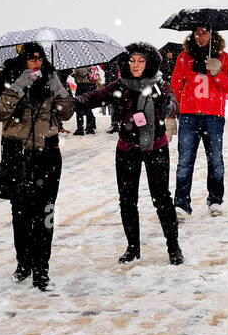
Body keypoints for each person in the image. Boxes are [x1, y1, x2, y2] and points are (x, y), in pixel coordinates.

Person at [73, 42, 183, 265]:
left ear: (149, 63)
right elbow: (95, 97)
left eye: (141, 60)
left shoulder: (159, 85)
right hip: (126, 149)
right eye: (132, 60)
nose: (136, 65)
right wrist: (73, 102)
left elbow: (173, 102)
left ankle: (173, 246)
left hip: (156, 147)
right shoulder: (120, 86)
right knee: (127, 200)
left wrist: (168, 107)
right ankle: (133, 247)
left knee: (161, 198)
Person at [0, 43, 74, 291]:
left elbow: (67, 113)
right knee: (21, 214)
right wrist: (18, 86)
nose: (36, 62)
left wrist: (59, 88)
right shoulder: (5, 79)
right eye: (31, 58)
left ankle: (42, 269)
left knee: (45, 212)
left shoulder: (51, 79)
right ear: (22, 60)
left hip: (48, 152)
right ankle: (23, 263)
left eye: (40, 58)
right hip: (16, 153)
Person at [171, 26, 228, 217]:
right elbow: (176, 85)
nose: (200, 37)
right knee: (184, 161)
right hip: (188, 115)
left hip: (213, 116)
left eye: (204, 32)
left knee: (215, 160)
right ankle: (181, 203)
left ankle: (215, 200)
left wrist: (217, 73)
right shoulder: (184, 57)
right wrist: (171, 113)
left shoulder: (223, 58)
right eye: (196, 32)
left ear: (212, 34)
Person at [72, 65, 98, 135]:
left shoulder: (81, 63)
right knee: (87, 106)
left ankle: (81, 128)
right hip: (88, 86)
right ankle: (90, 126)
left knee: (79, 106)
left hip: (83, 86)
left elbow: (82, 72)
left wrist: (74, 71)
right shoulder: (89, 62)